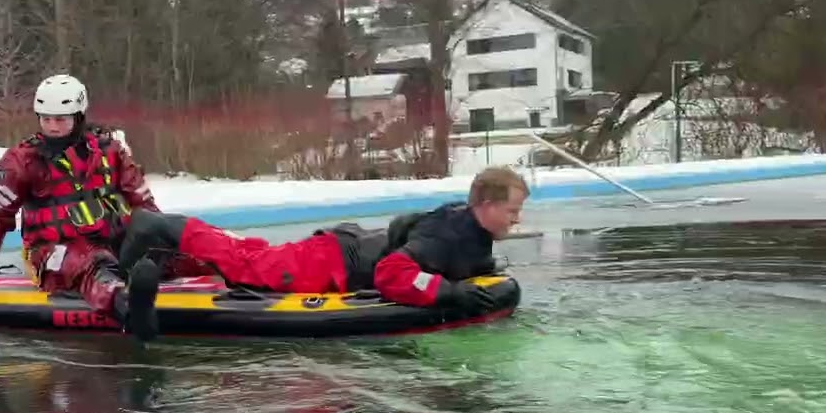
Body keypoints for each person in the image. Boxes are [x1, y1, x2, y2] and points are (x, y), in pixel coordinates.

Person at [116, 166, 530, 315]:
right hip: (332, 263)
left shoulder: (468, 226)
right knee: (244, 260)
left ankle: (168, 252)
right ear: (487, 205)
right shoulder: (448, 232)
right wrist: (448, 292)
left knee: (253, 255)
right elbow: (391, 274)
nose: (517, 220)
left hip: (343, 250)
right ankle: (160, 227)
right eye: (512, 212)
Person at [0, 73, 165, 340]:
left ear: (78, 117)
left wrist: (159, 240)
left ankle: (233, 267)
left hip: (112, 243)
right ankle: (129, 306)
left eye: (61, 120)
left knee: (170, 242)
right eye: (46, 119)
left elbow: (143, 202)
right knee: (91, 263)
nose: (52, 127)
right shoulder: (19, 162)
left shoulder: (109, 151)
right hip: (54, 253)